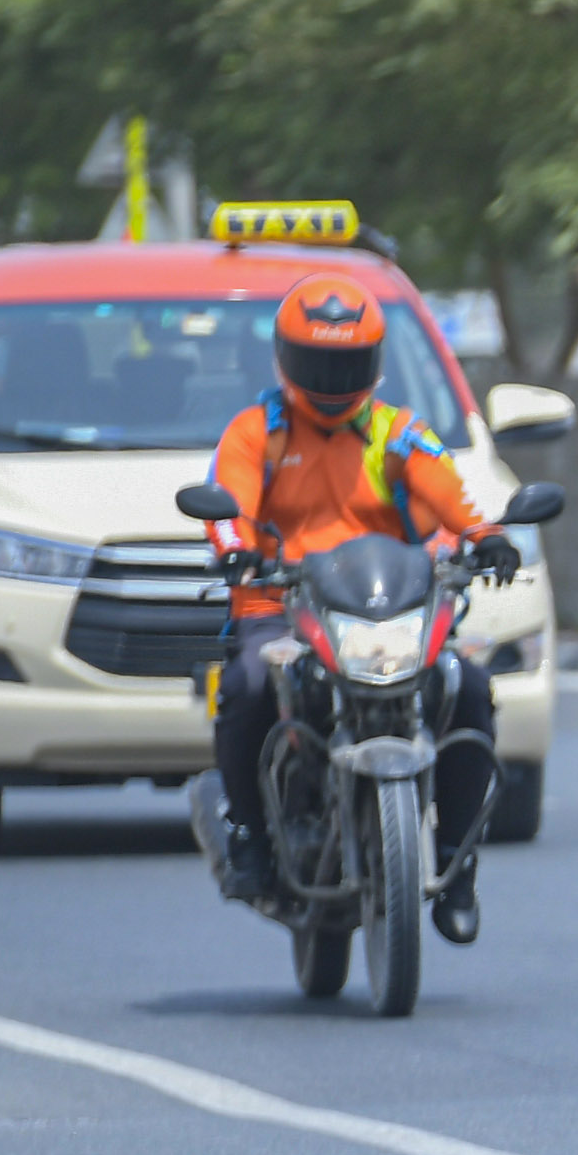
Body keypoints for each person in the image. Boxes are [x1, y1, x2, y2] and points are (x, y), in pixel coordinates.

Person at [195, 274, 519, 940]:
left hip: (390, 613)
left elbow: (453, 497)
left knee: (470, 685)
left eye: (347, 362)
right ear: (287, 360)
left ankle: (459, 870)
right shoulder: (257, 434)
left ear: (372, 364)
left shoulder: (399, 434)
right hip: (281, 610)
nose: (333, 377)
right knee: (250, 683)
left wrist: (487, 539)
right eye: (320, 362)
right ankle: (248, 834)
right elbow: (228, 506)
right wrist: (234, 550)